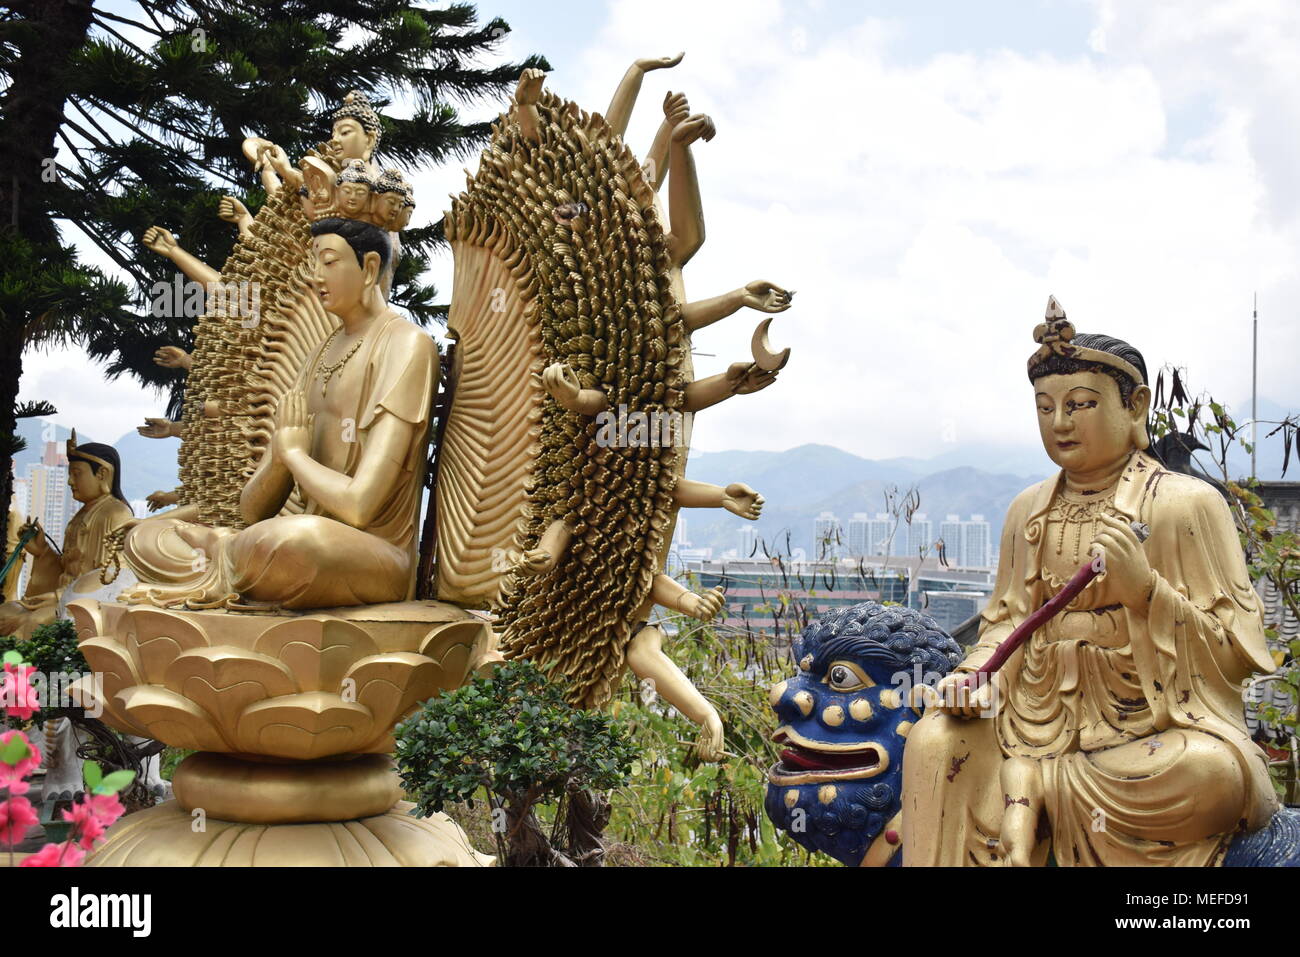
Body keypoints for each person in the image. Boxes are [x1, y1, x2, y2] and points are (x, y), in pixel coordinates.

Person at [900, 297, 1278, 866]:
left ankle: (1034, 792)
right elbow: (1003, 625)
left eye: (1080, 404)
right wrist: (970, 677)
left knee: (1213, 774)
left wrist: (1146, 592)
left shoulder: (1186, 505)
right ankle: (1024, 786)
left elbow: (1237, 651)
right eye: (1045, 407)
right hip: (1030, 716)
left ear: (1137, 407)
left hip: (1145, 730)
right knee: (933, 741)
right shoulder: (1027, 511)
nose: (1060, 422)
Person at [120, 215, 437, 610]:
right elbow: (252, 510)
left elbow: (359, 506)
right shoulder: (319, 354)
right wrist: (281, 462)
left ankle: (222, 560)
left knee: (298, 542)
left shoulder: (407, 346)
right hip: (288, 543)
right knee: (147, 539)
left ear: (369, 267)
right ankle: (225, 560)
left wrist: (295, 456)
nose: (318, 276)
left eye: (330, 262)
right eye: (314, 264)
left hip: (370, 555)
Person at [0, 437, 133, 638]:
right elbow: (66, 569)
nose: (71, 481)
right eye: (70, 474)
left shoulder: (116, 515)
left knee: (30, 622)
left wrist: (60, 596)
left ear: (102, 474)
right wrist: (42, 551)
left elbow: (114, 576)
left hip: (83, 605)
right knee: (5, 612)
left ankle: (18, 669)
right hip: (60, 599)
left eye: (77, 474)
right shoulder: (80, 516)